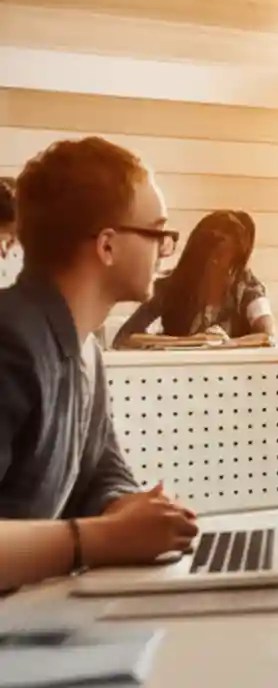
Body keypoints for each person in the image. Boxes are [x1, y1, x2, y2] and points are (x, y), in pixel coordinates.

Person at [0, 137, 198, 584]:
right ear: (107, 246)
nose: (164, 251)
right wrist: (103, 539)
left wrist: (127, 509)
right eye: (158, 233)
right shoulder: (11, 342)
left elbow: (100, 474)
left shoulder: (87, 348)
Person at [113, 209, 275, 348]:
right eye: (214, 257)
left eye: (231, 259)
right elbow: (125, 338)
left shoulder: (248, 288)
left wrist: (226, 345)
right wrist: (189, 342)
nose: (220, 266)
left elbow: (267, 335)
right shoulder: (170, 286)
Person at [0, 176, 15, 259]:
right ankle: (5, 250)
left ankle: (4, 250)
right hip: (9, 216)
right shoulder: (8, 191)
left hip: (7, 216)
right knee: (13, 236)